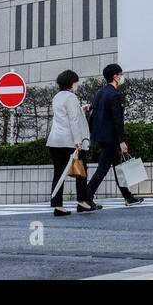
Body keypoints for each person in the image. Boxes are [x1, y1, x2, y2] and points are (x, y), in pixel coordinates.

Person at [83, 64, 144, 208]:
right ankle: (86, 198)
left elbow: (95, 110)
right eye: (121, 74)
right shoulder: (114, 94)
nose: (122, 77)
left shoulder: (101, 92)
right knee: (103, 169)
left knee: (118, 168)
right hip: (110, 138)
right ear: (115, 77)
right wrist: (121, 141)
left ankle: (128, 197)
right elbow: (117, 120)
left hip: (101, 136)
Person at [46, 70, 94, 215]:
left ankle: (57, 205)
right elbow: (73, 121)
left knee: (58, 173)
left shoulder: (56, 97)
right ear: (71, 83)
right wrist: (78, 142)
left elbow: (64, 116)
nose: (77, 85)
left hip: (55, 141)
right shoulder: (71, 97)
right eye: (76, 82)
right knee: (81, 171)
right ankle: (82, 202)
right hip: (69, 142)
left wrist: (81, 109)